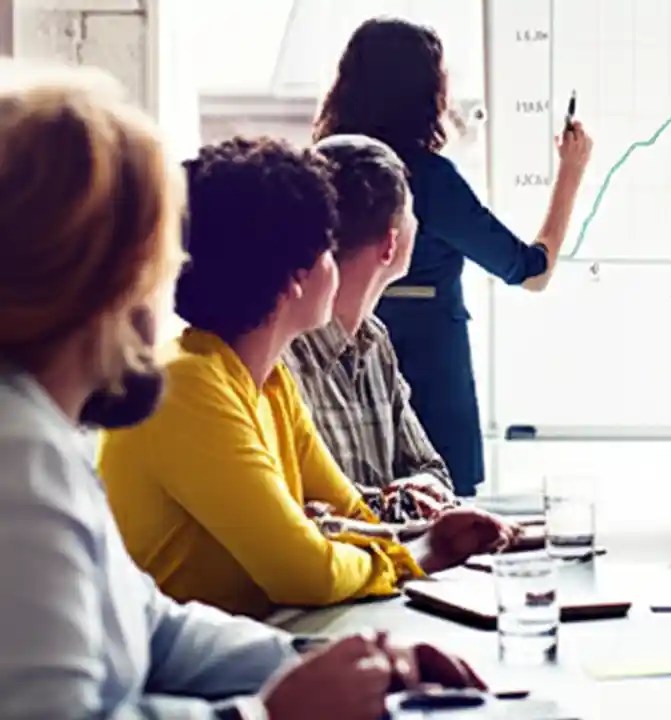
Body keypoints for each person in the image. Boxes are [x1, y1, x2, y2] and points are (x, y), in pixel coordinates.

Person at [0, 61, 483, 720]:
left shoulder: (42, 435)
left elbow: (155, 630)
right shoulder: (18, 456)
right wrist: (269, 713)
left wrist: (326, 663)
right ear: (97, 270)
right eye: (158, 246)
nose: (172, 272)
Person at [99, 136, 511, 620]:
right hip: (180, 675)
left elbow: (351, 515)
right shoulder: (189, 386)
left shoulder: (267, 383)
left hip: (247, 647)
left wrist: (430, 536)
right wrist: (417, 555)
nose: (336, 265)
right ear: (296, 276)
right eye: (327, 251)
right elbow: (306, 572)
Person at [313, 18, 594, 496]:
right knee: (443, 518)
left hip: (327, 379)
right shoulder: (427, 179)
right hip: (430, 375)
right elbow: (531, 271)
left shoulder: (321, 164)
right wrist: (570, 173)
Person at [284, 133, 464, 522]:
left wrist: (415, 494)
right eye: (412, 213)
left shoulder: (375, 340)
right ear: (390, 244)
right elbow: (306, 510)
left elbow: (431, 470)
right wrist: (399, 504)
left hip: (394, 569)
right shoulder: (280, 356)